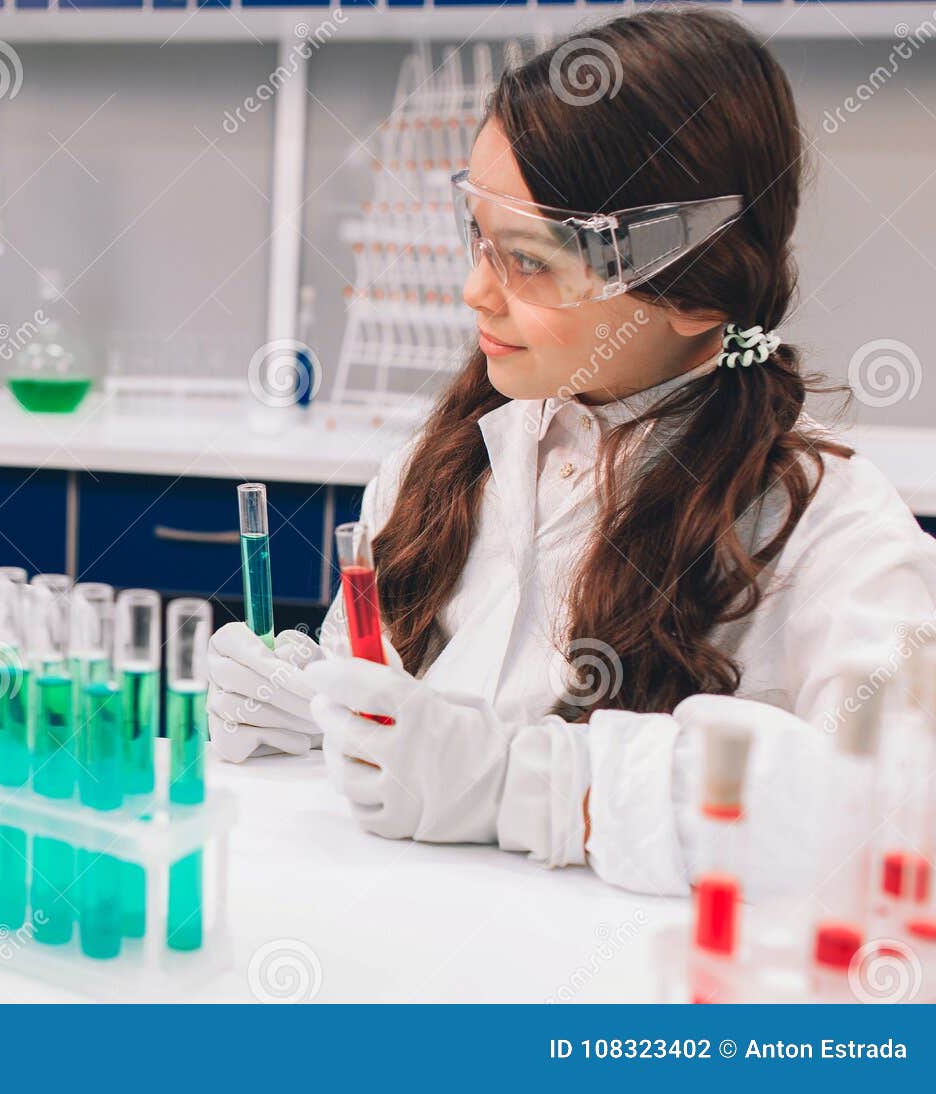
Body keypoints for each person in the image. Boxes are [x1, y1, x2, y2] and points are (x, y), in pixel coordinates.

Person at [206, 9, 936, 893]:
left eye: (531, 262)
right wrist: (316, 705)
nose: (476, 292)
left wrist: (539, 788)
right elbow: (416, 739)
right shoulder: (443, 464)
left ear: (696, 291)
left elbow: (898, 813)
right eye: (479, 236)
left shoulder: (828, 529)